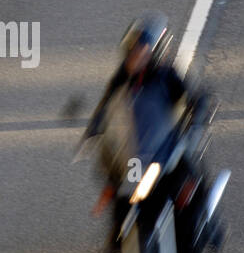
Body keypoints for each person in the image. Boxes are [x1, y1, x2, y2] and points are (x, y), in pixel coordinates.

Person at [86, 12, 212, 241]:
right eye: (133, 52)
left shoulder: (167, 75)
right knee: (114, 178)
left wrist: (196, 119)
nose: (137, 57)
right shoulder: (122, 78)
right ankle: (119, 225)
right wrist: (93, 131)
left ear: (153, 52)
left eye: (142, 51)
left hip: (168, 139)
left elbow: (195, 98)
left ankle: (210, 224)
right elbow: (105, 106)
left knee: (190, 174)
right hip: (136, 145)